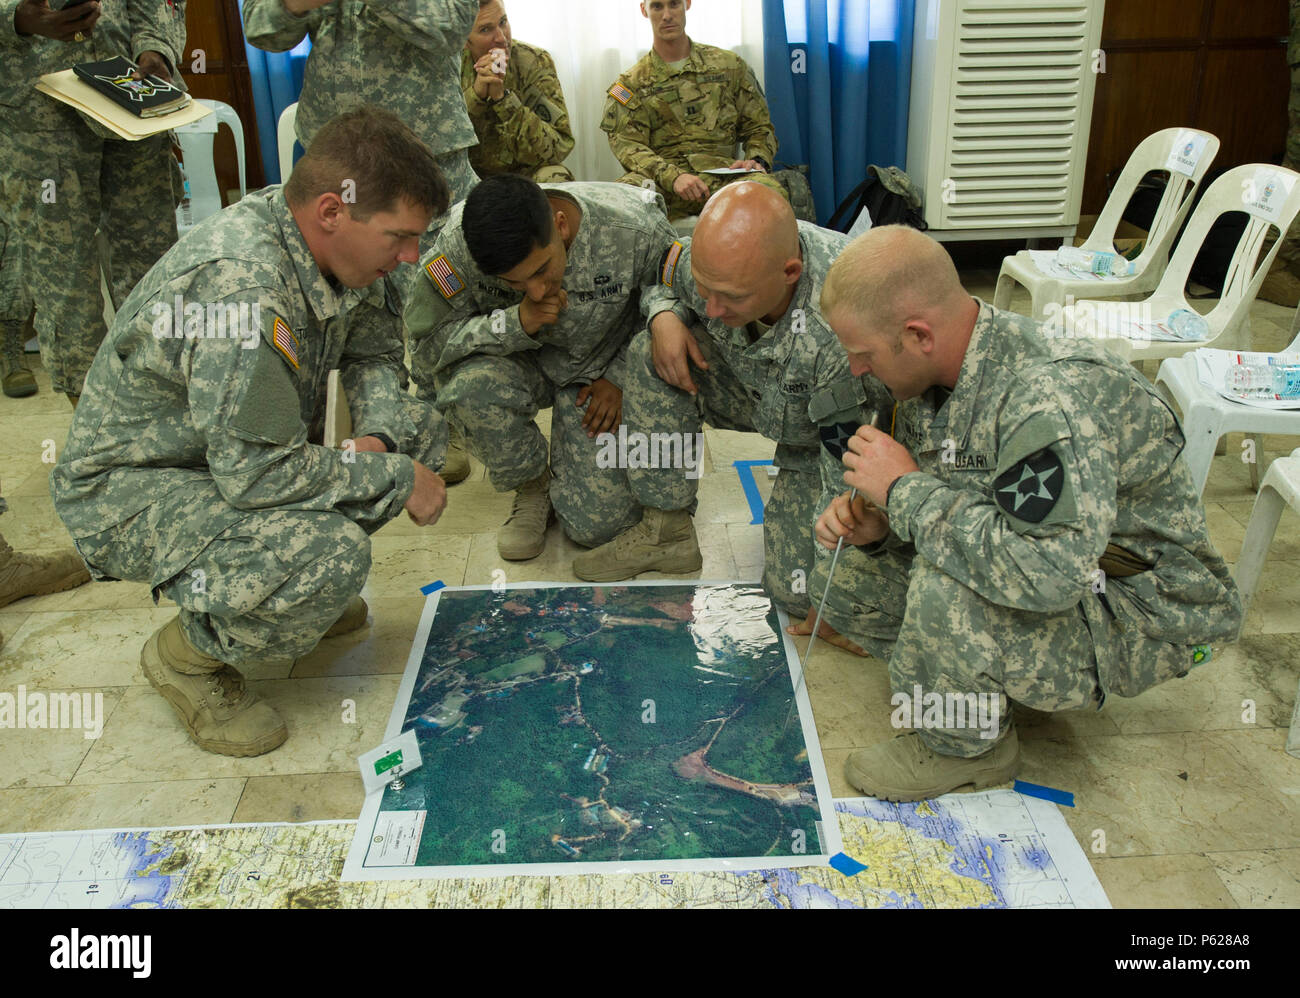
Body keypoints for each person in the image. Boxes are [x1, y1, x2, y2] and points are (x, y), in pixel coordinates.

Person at [50, 109, 453, 758]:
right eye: (400, 237)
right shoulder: (243, 288)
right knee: (331, 554)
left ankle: (282, 596)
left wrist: (378, 438)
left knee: (419, 433)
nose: (412, 256)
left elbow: (375, 350)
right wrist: (394, 474)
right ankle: (188, 658)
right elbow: (258, 475)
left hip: (231, 457)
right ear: (331, 211)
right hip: (134, 488)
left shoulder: (343, 250)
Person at [815, 225, 1243, 801]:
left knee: (947, 591)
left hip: (1144, 606)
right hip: (1066, 574)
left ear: (918, 335)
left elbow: (1048, 574)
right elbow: (973, 510)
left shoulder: (1049, 396)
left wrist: (904, 492)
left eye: (862, 354)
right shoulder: (940, 373)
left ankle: (969, 748)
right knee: (839, 575)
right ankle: (990, 679)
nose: (855, 370)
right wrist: (883, 529)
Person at [573, 182, 891, 637]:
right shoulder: (716, 263)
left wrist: (832, 594)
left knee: (798, 594)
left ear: (789, 272)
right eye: (705, 290)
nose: (713, 308)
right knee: (650, 350)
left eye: (731, 298)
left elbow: (843, 470)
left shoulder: (840, 329)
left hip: (818, 442)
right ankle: (667, 530)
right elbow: (661, 271)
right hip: (747, 387)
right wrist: (665, 313)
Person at [405, 174, 680, 561]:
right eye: (513, 283)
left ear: (561, 226)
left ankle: (572, 470)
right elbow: (428, 344)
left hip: (599, 374)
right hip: (520, 364)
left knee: (598, 526)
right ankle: (532, 486)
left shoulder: (633, 227)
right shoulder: (459, 245)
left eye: (540, 271)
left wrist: (622, 375)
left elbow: (673, 304)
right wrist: (514, 323)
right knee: (468, 388)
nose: (535, 291)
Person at [2, 0, 186, 405]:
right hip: (37, 112)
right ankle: (94, 431)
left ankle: (163, 411)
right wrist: (17, 18)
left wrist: (155, 48)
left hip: (131, 91)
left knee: (152, 267)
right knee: (63, 274)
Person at [242, 0, 480, 205]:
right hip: (334, 156)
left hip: (423, 156)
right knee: (337, 253)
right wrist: (293, 6)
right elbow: (257, 26)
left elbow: (455, 26)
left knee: (431, 256)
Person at [601, 0, 800, 222]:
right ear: (644, 10)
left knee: (767, 195)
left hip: (724, 178)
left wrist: (756, 159)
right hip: (663, 184)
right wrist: (672, 176)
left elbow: (759, 127)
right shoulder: (631, 84)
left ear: (687, 4)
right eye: (657, 6)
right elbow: (628, 145)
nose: (667, 15)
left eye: (674, 4)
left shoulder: (729, 66)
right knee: (614, 202)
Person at [461, 0, 575, 184]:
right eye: (485, 30)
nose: (501, 37)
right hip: (470, 178)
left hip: (524, 177)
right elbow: (440, 144)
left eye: (503, 22)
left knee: (554, 175)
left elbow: (558, 147)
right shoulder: (448, 68)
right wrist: (476, 97)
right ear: (464, 40)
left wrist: (503, 100)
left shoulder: (533, 61)